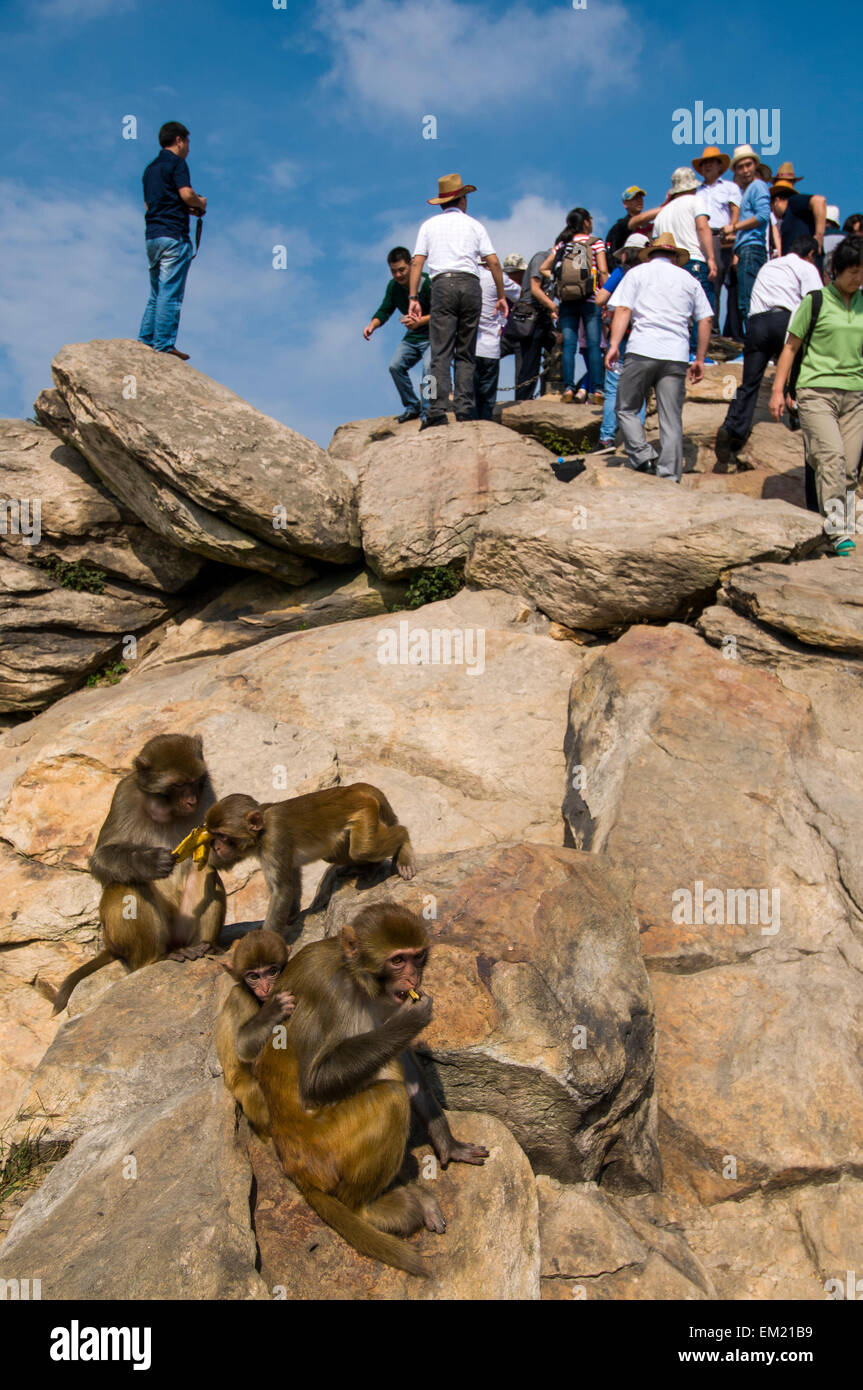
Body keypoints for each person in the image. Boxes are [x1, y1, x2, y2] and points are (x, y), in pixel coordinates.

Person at [770, 236, 863, 554]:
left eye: (862, 271)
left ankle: (842, 523)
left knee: (850, 468)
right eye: (852, 270)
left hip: (856, 395)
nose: (858, 277)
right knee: (832, 458)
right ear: (835, 271)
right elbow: (791, 348)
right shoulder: (816, 301)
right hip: (816, 392)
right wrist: (778, 390)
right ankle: (837, 532)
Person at [606, 233, 713, 481]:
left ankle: (643, 456)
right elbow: (705, 318)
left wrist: (613, 344)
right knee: (671, 418)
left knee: (625, 407)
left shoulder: (637, 273)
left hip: (641, 348)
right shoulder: (689, 279)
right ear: (675, 256)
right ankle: (669, 475)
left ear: (651, 253)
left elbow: (623, 309)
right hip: (676, 353)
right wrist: (699, 358)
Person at [409, 173, 506, 429]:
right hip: (471, 285)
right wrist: (502, 295)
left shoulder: (429, 226)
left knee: (441, 351)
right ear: (461, 199)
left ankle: (437, 410)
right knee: (466, 352)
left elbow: (417, 261)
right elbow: (494, 262)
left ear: (442, 202)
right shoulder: (475, 226)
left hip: (442, 284)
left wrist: (413, 297)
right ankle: (464, 410)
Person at [716, 236, 822, 465]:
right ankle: (795, 416)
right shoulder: (806, 267)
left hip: (757, 323)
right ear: (811, 254)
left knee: (749, 382)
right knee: (798, 369)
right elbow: (815, 301)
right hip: (786, 320)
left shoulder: (770, 264)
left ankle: (732, 427)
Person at [138, 121, 206, 359]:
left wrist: (185, 207)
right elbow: (186, 194)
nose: (188, 147)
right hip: (174, 235)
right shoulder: (177, 163)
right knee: (171, 293)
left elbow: (151, 205)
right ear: (179, 140)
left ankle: (145, 341)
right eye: (187, 142)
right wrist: (199, 203)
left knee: (156, 292)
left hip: (152, 236)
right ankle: (164, 344)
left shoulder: (150, 169)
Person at [540, 208, 608, 404]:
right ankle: (597, 390)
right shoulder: (595, 243)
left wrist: (557, 279)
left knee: (569, 346)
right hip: (590, 300)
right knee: (594, 346)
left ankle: (568, 389)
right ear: (586, 222)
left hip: (567, 301)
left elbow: (543, 268)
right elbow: (603, 271)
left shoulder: (562, 244)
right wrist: (607, 295)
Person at [590, 233, 648, 453]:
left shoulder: (621, 273)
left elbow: (600, 299)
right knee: (639, 389)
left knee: (613, 389)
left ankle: (606, 438)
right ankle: (637, 440)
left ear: (625, 253)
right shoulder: (650, 275)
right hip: (643, 336)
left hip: (619, 336)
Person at [363, 247, 432, 422]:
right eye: (394, 271)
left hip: (433, 336)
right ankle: (412, 405)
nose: (398, 275)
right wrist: (372, 325)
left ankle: (429, 410)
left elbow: (442, 313)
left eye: (402, 270)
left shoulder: (426, 283)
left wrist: (420, 321)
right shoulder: (393, 287)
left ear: (410, 265)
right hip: (413, 337)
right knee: (395, 366)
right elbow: (385, 309)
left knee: (429, 369)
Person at [692, 146, 741, 335]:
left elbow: (735, 211)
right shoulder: (697, 192)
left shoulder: (730, 188)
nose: (708, 166)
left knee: (717, 282)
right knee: (703, 281)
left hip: (720, 236)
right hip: (700, 237)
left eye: (711, 162)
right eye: (704, 163)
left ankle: (714, 327)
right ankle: (705, 327)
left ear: (720, 166)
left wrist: (732, 230)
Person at [503, 246, 558, 401]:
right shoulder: (541, 259)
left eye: (515, 273)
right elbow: (534, 290)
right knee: (528, 363)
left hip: (535, 319)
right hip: (522, 324)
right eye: (510, 274)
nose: (512, 277)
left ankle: (546, 393)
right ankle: (523, 399)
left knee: (554, 351)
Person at [727, 145, 771, 334]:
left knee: (748, 300)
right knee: (750, 299)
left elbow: (763, 215)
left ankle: (755, 344)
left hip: (751, 248)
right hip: (748, 248)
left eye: (748, 165)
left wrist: (734, 227)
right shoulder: (749, 190)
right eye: (740, 167)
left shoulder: (757, 186)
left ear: (755, 165)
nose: (745, 170)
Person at [473, 260, 522, 420]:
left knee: (470, 398)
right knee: (487, 400)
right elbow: (519, 293)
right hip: (491, 348)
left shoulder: (467, 278)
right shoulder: (498, 277)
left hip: (469, 348)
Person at [769, 177, 827, 262]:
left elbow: (819, 201)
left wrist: (819, 236)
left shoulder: (793, 202)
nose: (772, 211)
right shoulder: (788, 216)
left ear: (776, 201)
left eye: (772, 207)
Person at [605, 185, 648, 258]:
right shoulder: (621, 226)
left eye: (640, 198)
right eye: (635, 198)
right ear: (625, 204)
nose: (639, 200)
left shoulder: (648, 225)